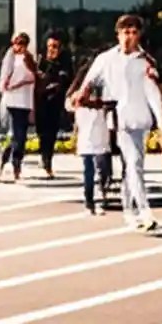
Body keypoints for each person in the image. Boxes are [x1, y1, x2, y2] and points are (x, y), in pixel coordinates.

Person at [78, 14, 162, 231]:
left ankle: (129, 211)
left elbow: (154, 94)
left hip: (141, 120)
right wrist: (87, 98)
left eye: (134, 32)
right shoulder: (106, 59)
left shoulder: (145, 61)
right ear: (118, 34)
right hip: (120, 120)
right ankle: (145, 211)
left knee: (132, 167)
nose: (130, 36)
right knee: (134, 164)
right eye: (126, 32)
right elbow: (86, 84)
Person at [65, 65, 110, 215]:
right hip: (86, 135)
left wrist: (99, 103)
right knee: (89, 170)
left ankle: (100, 195)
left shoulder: (105, 87)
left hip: (101, 134)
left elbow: (111, 101)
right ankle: (90, 200)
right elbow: (69, 102)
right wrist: (78, 99)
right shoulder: (79, 93)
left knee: (101, 168)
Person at [0, 32, 38, 183]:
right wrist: (10, 85)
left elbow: (34, 78)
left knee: (21, 137)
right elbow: (4, 82)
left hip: (25, 101)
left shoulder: (29, 58)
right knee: (16, 134)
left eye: (23, 44)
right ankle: (7, 160)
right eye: (18, 43)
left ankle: (16, 163)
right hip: (12, 101)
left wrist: (22, 84)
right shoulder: (10, 57)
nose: (20, 47)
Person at [33, 32, 73, 178]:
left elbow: (66, 79)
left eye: (55, 46)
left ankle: (47, 160)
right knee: (41, 132)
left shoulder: (64, 62)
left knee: (51, 133)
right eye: (49, 46)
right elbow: (37, 77)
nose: (52, 49)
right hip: (41, 102)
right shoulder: (41, 60)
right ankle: (44, 158)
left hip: (56, 103)